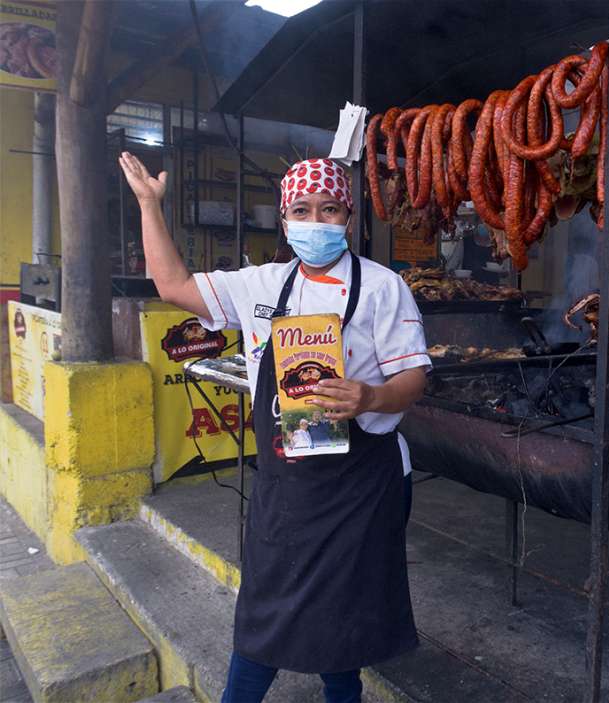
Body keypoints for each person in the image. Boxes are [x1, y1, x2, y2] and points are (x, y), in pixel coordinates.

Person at [119, 152, 431, 703]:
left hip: (360, 483)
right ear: (285, 221)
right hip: (287, 486)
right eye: (303, 210)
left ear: (349, 217)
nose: (317, 221)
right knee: (264, 615)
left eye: (329, 209)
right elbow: (171, 284)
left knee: (344, 621)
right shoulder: (259, 285)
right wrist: (149, 204)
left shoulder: (385, 287)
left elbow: (413, 378)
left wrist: (371, 396)